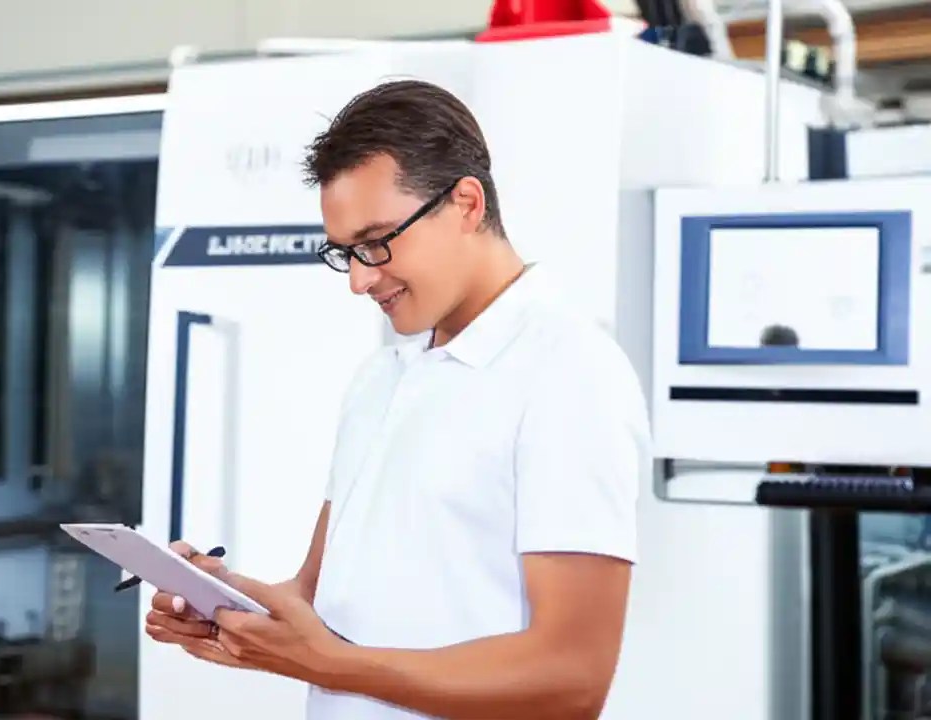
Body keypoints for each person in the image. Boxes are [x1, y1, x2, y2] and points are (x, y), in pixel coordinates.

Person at [144, 79, 650, 719]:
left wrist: (328, 664)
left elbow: (572, 680)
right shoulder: (380, 377)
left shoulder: (569, 372)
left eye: (378, 241)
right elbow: (317, 602)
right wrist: (227, 610)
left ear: (466, 204)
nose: (359, 279)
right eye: (346, 252)